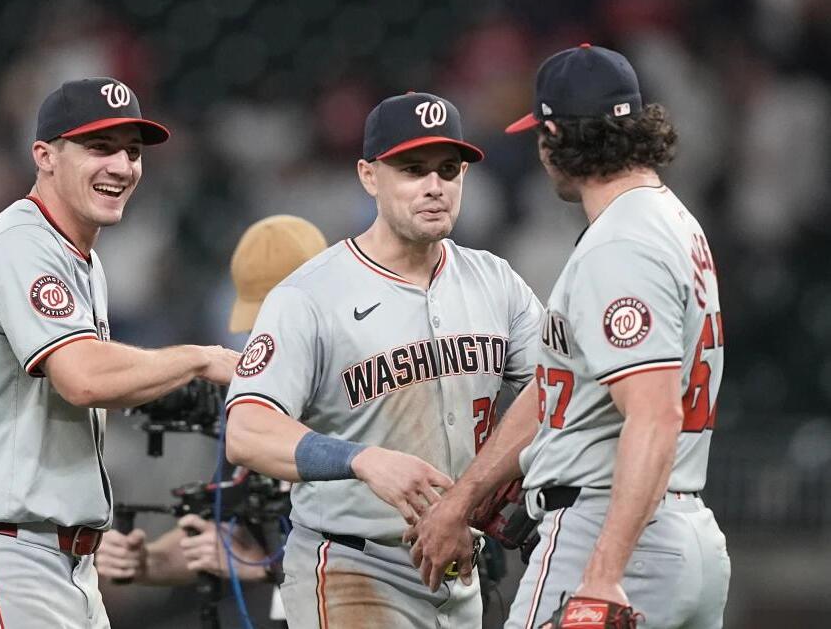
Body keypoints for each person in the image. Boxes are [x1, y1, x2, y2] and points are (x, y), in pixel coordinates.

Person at [407, 44, 731, 629]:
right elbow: (560, 385)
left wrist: (603, 573)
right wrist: (466, 494)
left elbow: (654, 416)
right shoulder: (667, 220)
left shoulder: (622, 244)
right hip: (678, 534)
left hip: (610, 533)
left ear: (553, 134)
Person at [224, 92, 542, 628]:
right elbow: (246, 431)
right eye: (412, 169)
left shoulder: (497, 281)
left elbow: (559, 388)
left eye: (448, 169)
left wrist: (476, 494)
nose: (435, 186)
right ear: (369, 176)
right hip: (353, 566)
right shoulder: (310, 295)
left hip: (460, 567)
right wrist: (360, 459)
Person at [0, 77, 239, 629]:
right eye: (99, 147)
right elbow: (84, 378)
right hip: (11, 551)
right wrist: (200, 359)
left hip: (66, 561)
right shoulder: (21, 244)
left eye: (132, 151)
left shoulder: (80, 258)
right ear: (44, 155)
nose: (122, 165)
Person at [95, 215, 327, 590]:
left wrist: (267, 565)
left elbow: (402, 546)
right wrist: (147, 561)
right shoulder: (257, 405)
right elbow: (223, 534)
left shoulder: (371, 395)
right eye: (261, 329)